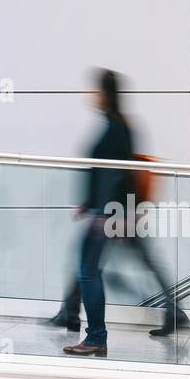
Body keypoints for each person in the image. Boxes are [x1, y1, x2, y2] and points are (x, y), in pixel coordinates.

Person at [61, 69, 137, 357]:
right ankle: (93, 334)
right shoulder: (115, 125)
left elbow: (118, 174)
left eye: (95, 91)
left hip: (108, 214)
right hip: (105, 210)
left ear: (105, 94)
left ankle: (96, 337)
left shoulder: (117, 127)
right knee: (88, 271)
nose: (92, 96)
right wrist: (89, 201)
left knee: (88, 272)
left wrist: (104, 212)